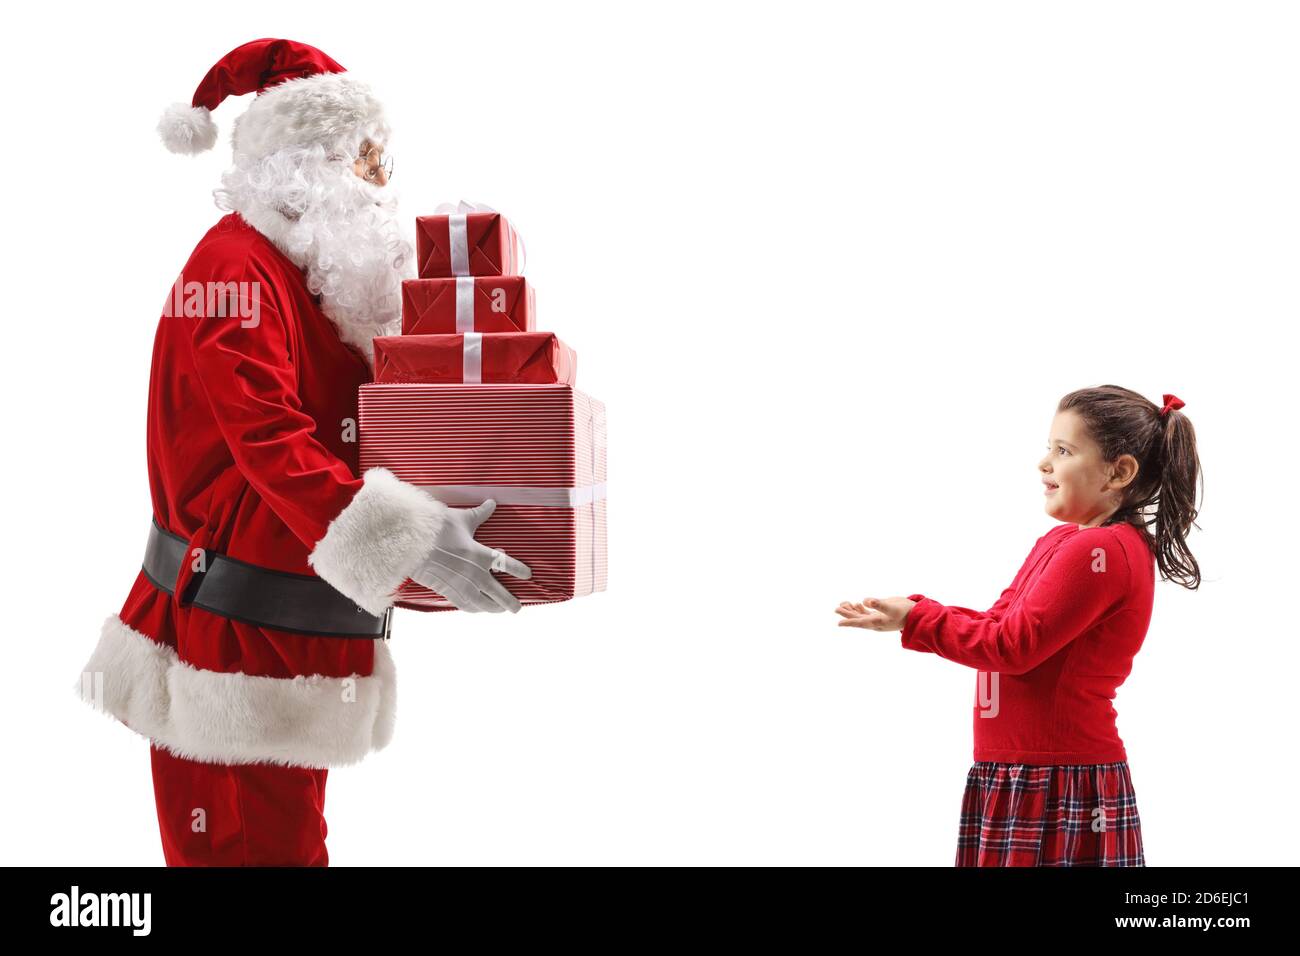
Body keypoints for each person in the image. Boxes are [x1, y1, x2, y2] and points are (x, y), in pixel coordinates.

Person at [73, 38, 532, 866]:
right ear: (309, 163)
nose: (384, 184)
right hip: (232, 652)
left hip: (288, 645)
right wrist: (417, 539)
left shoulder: (307, 279)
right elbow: (271, 442)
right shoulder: (235, 270)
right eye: (368, 159)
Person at [835, 386, 1202, 866]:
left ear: (1120, 471)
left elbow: (1012, 647)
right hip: (1020, 770)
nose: (1044, 463)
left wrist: (918, 619)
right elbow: (998, 623)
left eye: (1064, 451)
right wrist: (913, 611)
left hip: (1053, 777)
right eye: (1050, 447)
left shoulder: (1102, 552)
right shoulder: (1065, 541)